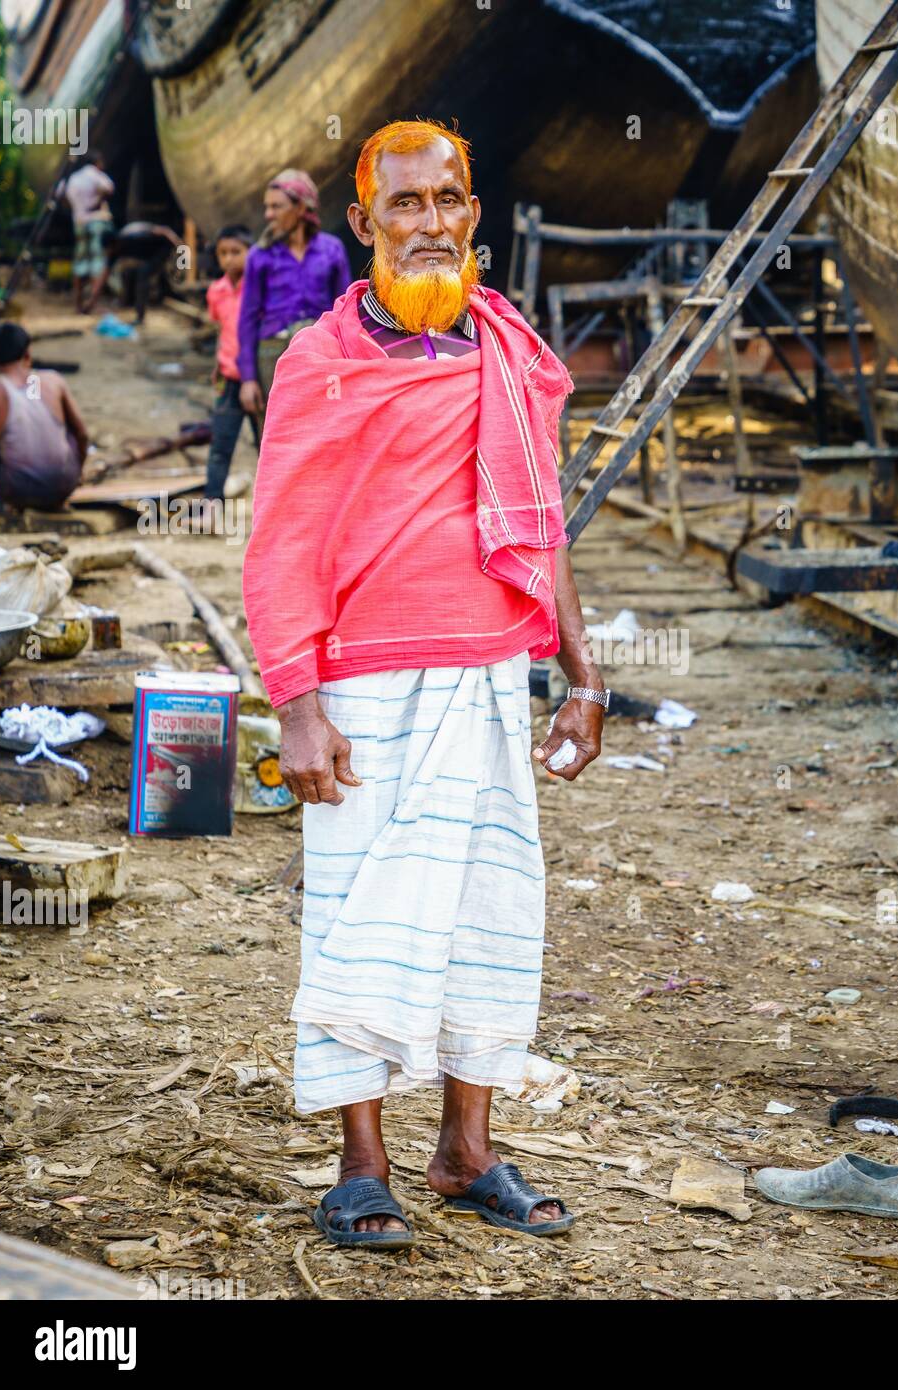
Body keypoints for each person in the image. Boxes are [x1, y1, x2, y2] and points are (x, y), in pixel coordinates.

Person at [242, 120, 605, 1246]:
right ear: (363, 224)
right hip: (361, 690)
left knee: (487, 916)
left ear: (472, 212)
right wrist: (296, 704)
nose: (431, 223)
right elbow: (280, 542)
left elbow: (544, 528)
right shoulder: (321, 363)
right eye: (404, 204)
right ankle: (361, 1165)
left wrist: (585, 678)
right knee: (362, 921)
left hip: (492, 674)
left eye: (448, 199)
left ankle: (467, 1149)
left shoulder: (506, 347)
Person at [236, 169, 351, 434]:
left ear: (301, 208)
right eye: (267, 207)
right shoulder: (259, 255)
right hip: (272, 355)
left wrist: (348, 364)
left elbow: (345, 312)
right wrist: (248, 378)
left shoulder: (332, 250)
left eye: (277, 206)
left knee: (323, 431)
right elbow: (248, 319)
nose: (268, 215)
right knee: (278, 432)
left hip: (320, 353)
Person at [0, 322, 88, 512]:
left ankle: (1, 501)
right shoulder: (51, 380)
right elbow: (82, 433)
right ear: (27, 354)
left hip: (16, 491)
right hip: (64, 486)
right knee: (66, 427)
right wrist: (78, 472)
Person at [203, 225, 258, 515]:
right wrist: (217, 365)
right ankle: (212, 507)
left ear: (252, 253)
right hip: (228, 377)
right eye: (223, 253)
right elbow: (223, 331)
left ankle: (273, 512)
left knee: (268, 445)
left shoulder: (260, 288)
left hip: (259, 380)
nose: (229, 259)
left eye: (236, 252)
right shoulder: (216, 292)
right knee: (220, 445)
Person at [61, 151, 115, 315]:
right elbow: (109, 189)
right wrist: (97, 202)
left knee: (80, 262)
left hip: (79, 222)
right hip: (97, 221)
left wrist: (77, 209)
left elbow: (59, 194)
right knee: (99, 262)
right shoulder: (96, 176)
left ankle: (78, 304)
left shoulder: (73, 179)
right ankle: (91, 303)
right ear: (97, 162)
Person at [108, 221, 184, 324]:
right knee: (130, 273)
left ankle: (140, 315)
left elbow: (164, 230)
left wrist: (180, 245)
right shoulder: (115, 249)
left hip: (162, 249)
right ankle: (129, 304)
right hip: (147, 257)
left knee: (142, 275)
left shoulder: (135, 237)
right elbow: (105, 272)